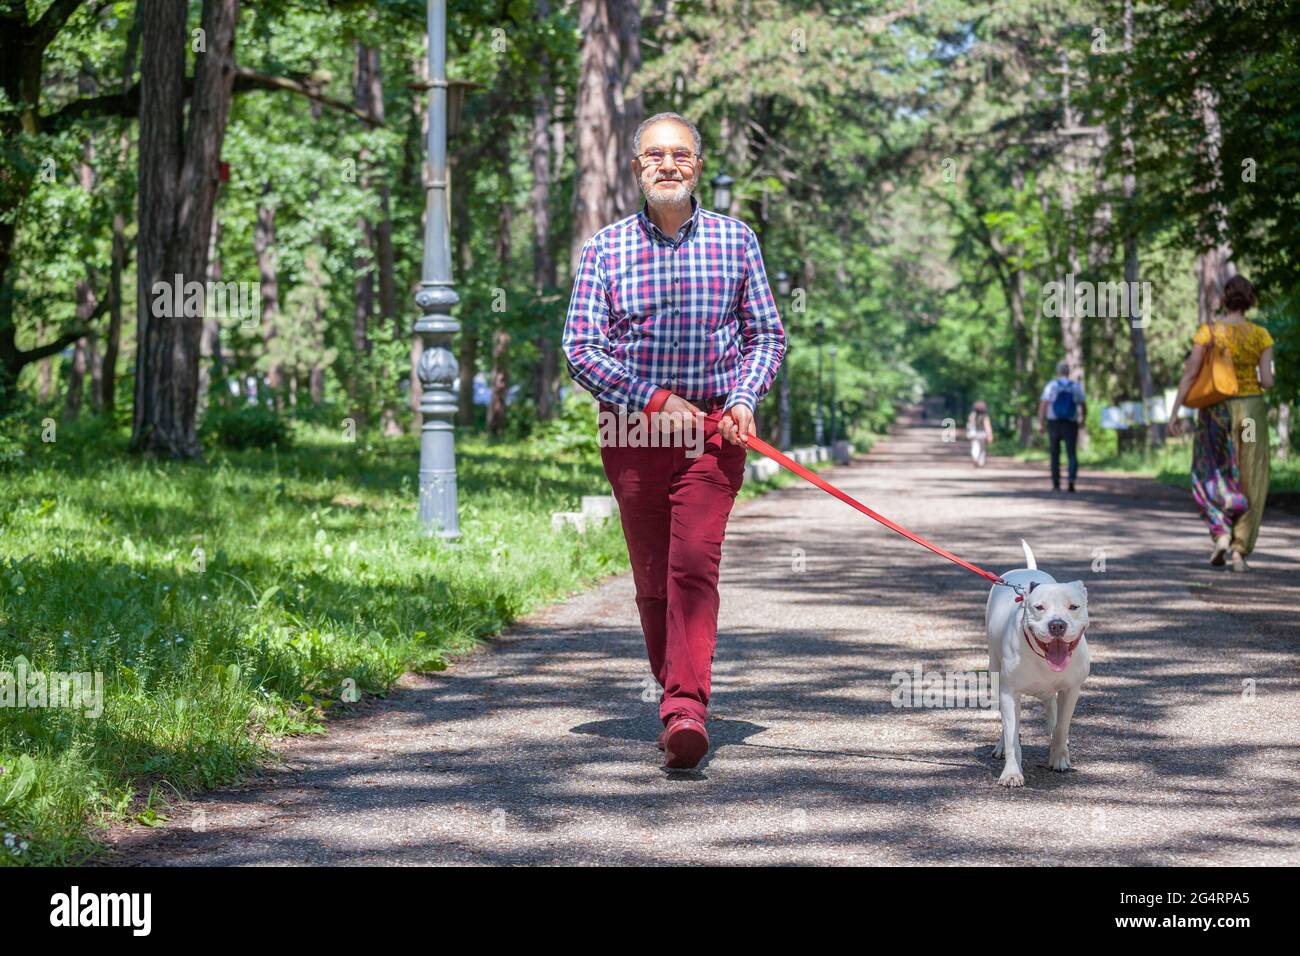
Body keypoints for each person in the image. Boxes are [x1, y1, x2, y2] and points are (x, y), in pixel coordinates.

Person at [562, 112, 786, 769]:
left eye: (680, 154)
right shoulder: (605, 249)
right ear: (636, 168)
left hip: (715, 434)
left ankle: (686, 709)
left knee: (693, 565)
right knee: (653, 577)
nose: (667, 164)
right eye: (654, 155)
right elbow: (581, 349)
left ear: (697, 164)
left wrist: (744, 397)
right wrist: (655, 400)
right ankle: (673, 690)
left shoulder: (736, 240)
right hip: (631, 430)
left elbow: (766, 335)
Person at [1168, 275, 1275, 571]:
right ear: (1250, 301)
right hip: (1250, 413)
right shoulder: (1261, 336)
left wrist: (1175, 411)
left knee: (1210, 469)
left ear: (1224, 300)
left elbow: (1190, 373)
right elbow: (1266, 381)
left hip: (1216, 411)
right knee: (1250, 474)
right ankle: (1240, 551)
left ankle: (1220, 534)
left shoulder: (1209, 331)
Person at [1038, 361, 1087, 492]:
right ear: (1068, 372)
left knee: (1055, 453)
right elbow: (1083, 404)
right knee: (1071, 453)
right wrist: (1083, 420)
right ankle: (1071, 480)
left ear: (1057, 372)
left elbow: (1044, 404)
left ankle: (1056, 483)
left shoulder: (1052, 386)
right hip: (1071, 423)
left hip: (1054, 423)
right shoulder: (1075, 386)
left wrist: (1040, 422)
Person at [967, 400, 993, 467]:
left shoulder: (972, 415)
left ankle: (975, 458)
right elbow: (987, 426)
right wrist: (990, 435)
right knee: (982, 449)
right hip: (982, 434)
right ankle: (981, 462)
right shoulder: (985, 416)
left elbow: (969, 424)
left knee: (975, 446)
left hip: (974, 433)